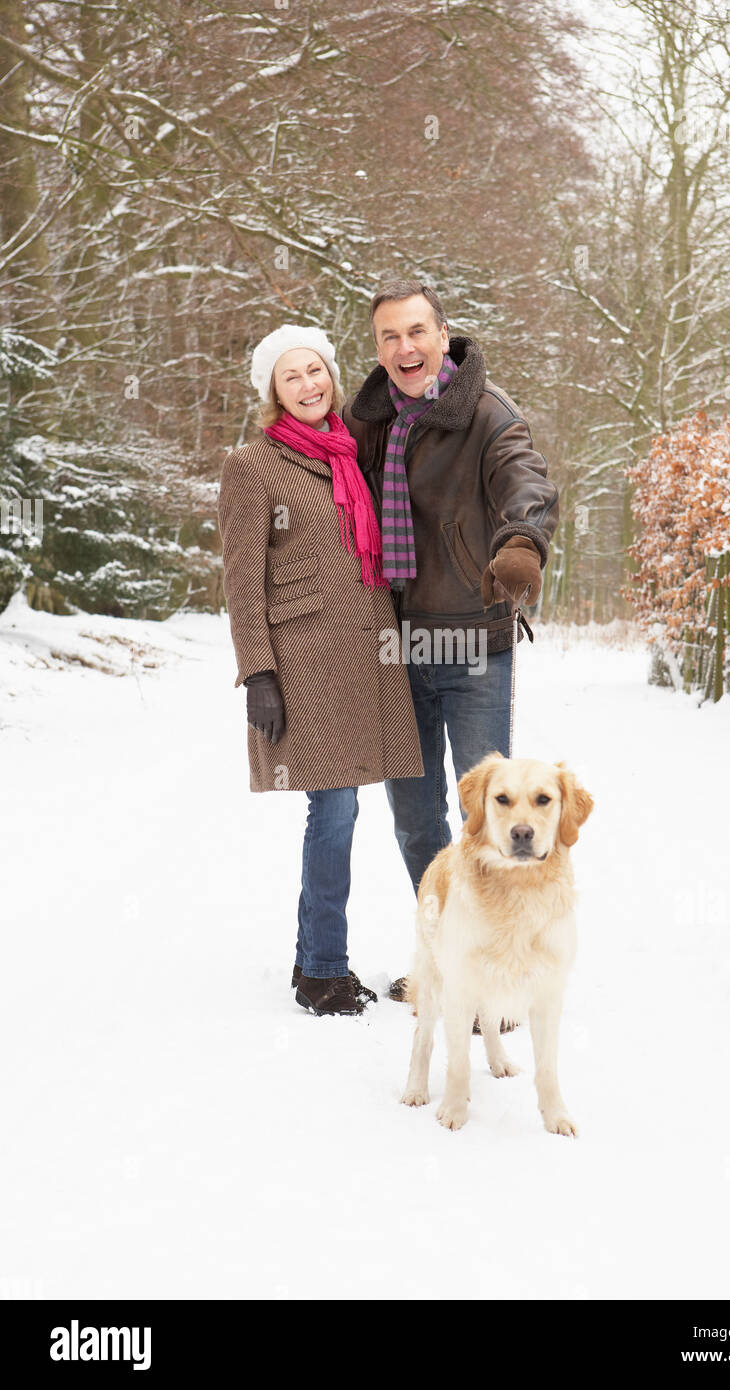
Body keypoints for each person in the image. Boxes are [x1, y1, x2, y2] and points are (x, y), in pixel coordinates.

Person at [343, 280, 559, 1000]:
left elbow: (525, 477)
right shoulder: (366, 421)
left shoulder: (488, 414)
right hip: (394, 647)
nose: (405, 349)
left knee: (491, 821)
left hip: (472, 645)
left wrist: (522, 540)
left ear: (442, 335)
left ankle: (497, 972)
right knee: (413, 821)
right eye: (389, 338)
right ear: (377, 349)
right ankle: (445, 959)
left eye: (416, 333)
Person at [218, 325, 423, 1017]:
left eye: (316, 371)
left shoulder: (351, 453)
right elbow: (242, 582)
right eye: (291, 377)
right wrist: (258, 674)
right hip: (306, 663)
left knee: (348, 805)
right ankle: (321, 969)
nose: (308, 385)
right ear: (273, 394)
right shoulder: (253, 466)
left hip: (369, 654)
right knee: (333, 807)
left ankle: (319, 961)